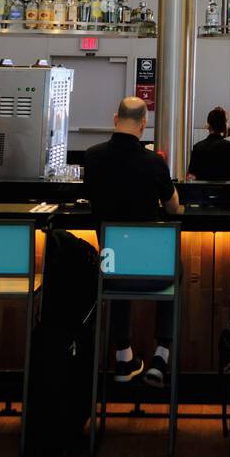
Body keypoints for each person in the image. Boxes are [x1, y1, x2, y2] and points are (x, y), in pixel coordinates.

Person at [83, 97, 183, 387]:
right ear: (144, 124)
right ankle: (162, 353)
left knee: (117, 267)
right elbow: (173, 207)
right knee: (175, 267)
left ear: (116, 119)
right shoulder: (153, 162)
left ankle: (123, 356)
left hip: (111, 267)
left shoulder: (92, 156)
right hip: (154, 270)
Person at [188, 106, 230, 181]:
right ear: (224, 125)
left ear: (208, 125)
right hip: (226, 192)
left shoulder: (197, 147)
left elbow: (192, 176)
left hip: (202, 191)